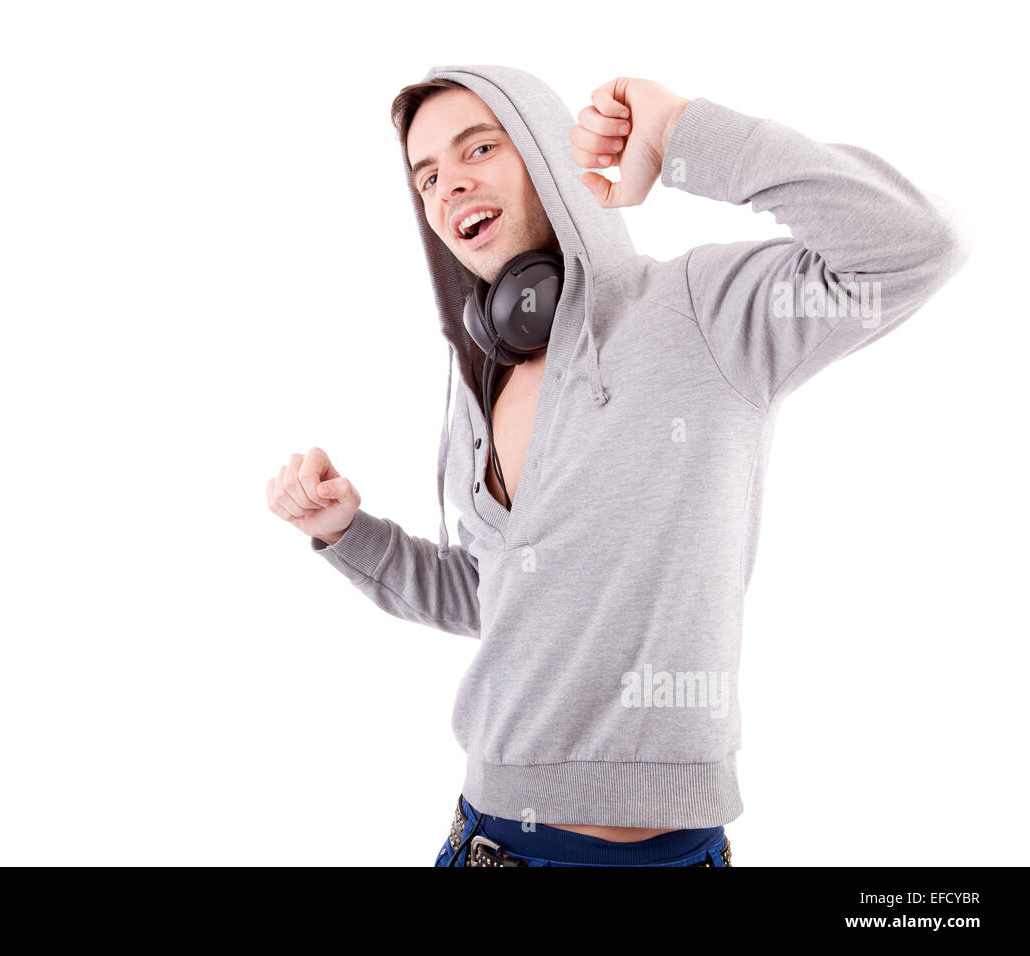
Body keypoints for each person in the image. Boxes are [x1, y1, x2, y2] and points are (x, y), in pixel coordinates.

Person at [265, 65, 969, 866]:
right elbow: (492, 599)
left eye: (479, 148)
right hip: (486, 837)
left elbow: (916, 244)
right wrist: (343, 532)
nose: (449, 185)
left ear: (548, 155)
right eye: (426, 175)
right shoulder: (481, 381)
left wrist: (683, 136)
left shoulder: (704, 311)